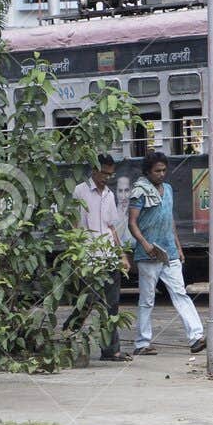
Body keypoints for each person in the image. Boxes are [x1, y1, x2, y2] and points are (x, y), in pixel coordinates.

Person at [127, 151, 205, 355]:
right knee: (147, 299)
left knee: (180, 293)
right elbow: (132, 223)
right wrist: (144, 244)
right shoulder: (139, 192)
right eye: (157, 171)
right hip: (148, 255)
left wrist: (178, 247)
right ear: (147, 172)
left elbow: (169, 220)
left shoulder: (168, 190)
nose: (161, 174)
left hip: (168, 252)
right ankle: (142, 344)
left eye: (164, 170)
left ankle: (196, 337)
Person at [72, 154, 130, 362]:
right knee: (87, 303)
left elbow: (111, 227)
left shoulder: (109, 194)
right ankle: (68, 337)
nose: (106, 177)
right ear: (94, 170)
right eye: (104, 173)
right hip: (89, 258)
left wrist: (121, 254)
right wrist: (77, 257)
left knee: (112, 305)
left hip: (108, 257)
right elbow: (75, 227)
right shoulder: (80, 191)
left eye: (110, 174)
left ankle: (111, 350)